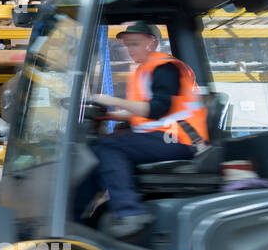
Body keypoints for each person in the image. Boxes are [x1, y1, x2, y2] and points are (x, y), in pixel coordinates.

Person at [73, 22, 210, 238]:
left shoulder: (166, 68)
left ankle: (131, 213)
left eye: (135, 44)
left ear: (152, 43)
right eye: (127, 46)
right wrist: (107, 115)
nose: (130, 50)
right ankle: (75, 222)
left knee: (108, 148)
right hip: (163, 136)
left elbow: (157, 110)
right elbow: (142, 113)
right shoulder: (144, 70)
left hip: (182, 139)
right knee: (97, 155)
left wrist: (111, 100)